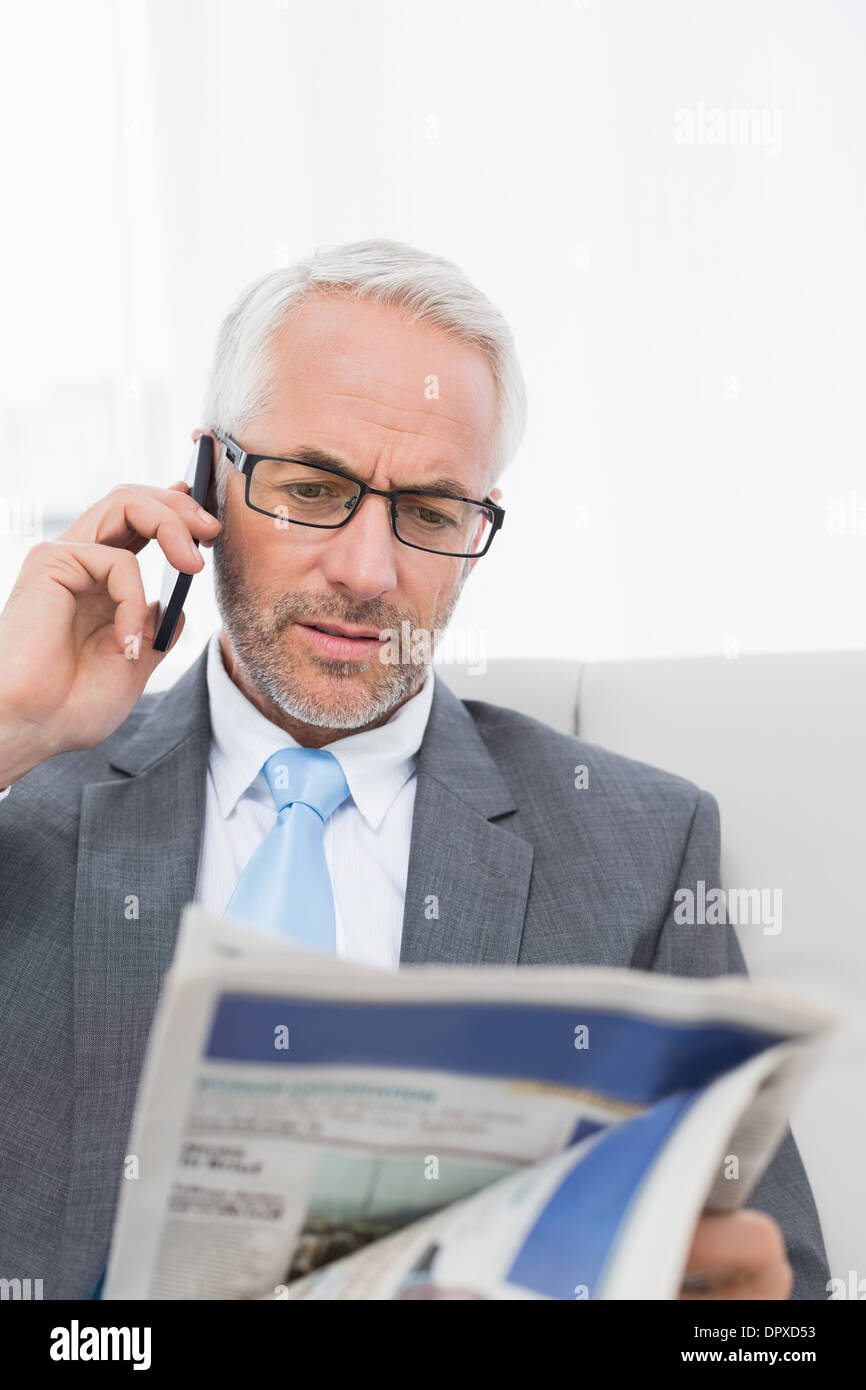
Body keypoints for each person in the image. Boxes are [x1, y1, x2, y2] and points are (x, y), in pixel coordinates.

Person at [0, 240, 827, 1300]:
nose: (365, 570)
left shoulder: (638, 848)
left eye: (432, 513)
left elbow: (778, 1301)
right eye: (312, 487)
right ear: (208, 481)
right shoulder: (29, 807)